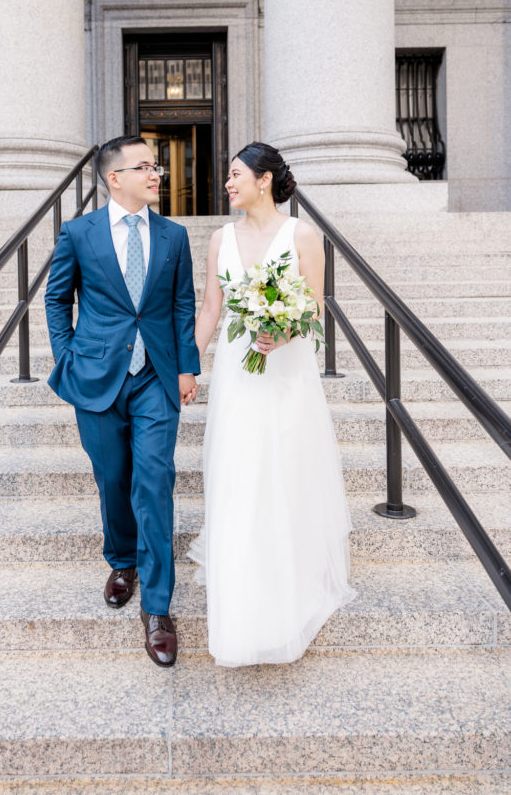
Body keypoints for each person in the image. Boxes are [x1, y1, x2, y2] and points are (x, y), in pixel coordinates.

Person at [188, 141, 356, 667]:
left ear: (265, 180)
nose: (228, 183)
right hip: (239, 375)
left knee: (284, 469)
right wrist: (189, 364)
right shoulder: (220, 239)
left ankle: (291, 575)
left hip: (287, 374)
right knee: (239, 471)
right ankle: (243, 580)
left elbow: (315, 307)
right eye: (228, 175)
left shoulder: (302, 235)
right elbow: (212, 307)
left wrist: (282, 333)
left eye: (236, 174)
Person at [45, 135, 200, 667]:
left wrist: (187, 366)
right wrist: (68, 358)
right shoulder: (78, 233)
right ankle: (123, 561)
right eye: (145, 167)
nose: (157, 174)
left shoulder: (174, 236)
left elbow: (183, 305)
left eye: (156, 167)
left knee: (154, 480)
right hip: (96, 374)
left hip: (156, 376)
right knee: (112, 478)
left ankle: (157, 606)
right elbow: (56, 297)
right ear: (115, 178)